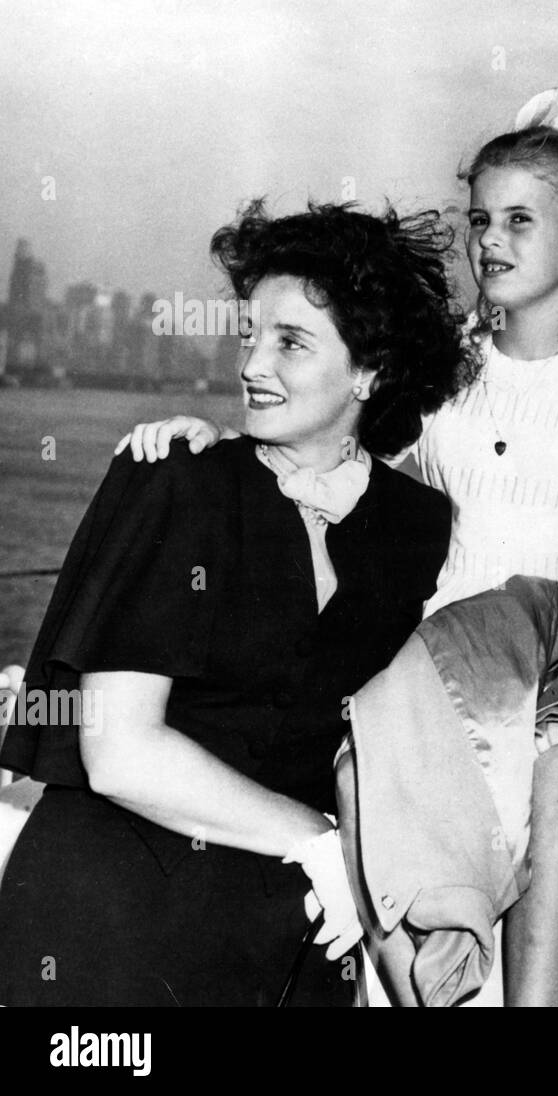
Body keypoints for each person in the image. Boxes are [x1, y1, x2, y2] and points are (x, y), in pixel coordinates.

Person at [116, 88, 558, 1005]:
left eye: (519, 221)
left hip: (546, 646)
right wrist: (215, 439)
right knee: (356, 767)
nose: (489, 240)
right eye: (480, 219)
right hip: (424, 642)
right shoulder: (454, 370)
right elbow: (344, 455)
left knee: (556, 772)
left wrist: (508, 672)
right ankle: (425, 987)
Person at [0, 201, 466, 1005]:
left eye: (290, 343)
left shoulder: (415, 525)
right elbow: (117, 751)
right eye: (251, 336)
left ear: (369, 369)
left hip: (293, 940)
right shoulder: (179, 481)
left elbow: (394, 729)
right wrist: (315, 840)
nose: (252, 365)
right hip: (109, 924)